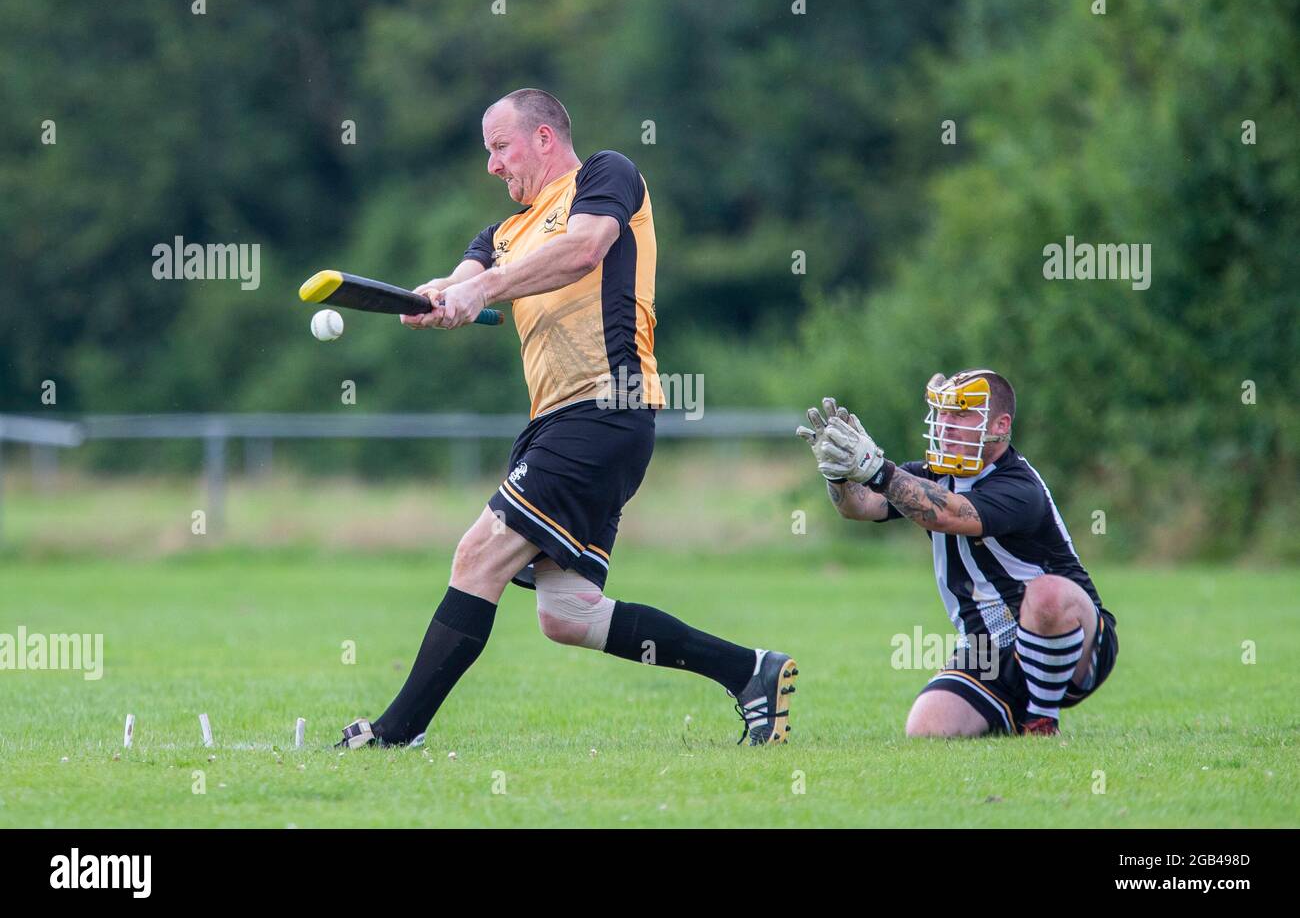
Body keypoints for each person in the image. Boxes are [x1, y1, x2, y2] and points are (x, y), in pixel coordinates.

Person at [338, 89, 796, 749]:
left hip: (606, 407)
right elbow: (466, 272)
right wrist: (438, 296)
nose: (493, 166)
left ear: (544, 139)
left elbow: (583, 250)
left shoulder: (606, 176)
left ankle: (394, 732)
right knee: (568, 614)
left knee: (478, 555)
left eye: (501, 148)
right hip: (555, 420)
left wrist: (482, 288)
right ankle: (751, 672)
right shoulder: (500, 235)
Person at [797, 369, 1117, 736]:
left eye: (961, 414)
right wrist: (838, 473)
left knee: (1046, 592)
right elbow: (860, 506)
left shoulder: (1019, 485)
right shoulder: (931, 474)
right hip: (987, 649)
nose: (946, 424)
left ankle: (1042, 721)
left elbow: (948, 514)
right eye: (942, 412)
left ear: (1000, 424)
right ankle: (1011, 711)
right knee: (927, 728)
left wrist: (876, 470)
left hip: (1077, 644)